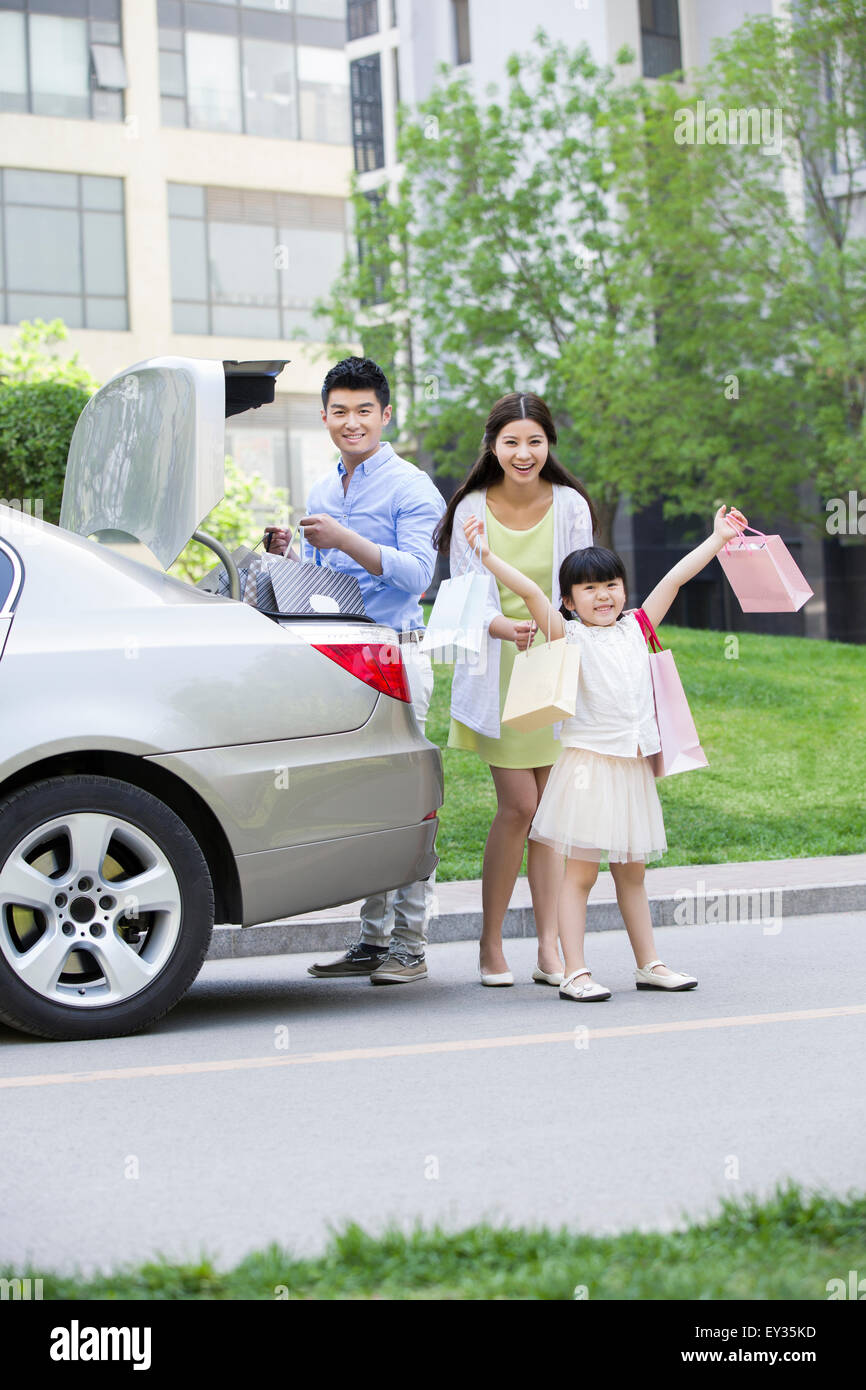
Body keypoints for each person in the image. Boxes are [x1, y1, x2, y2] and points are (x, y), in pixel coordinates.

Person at [462, 503, 748, 1001]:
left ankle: (649, 963)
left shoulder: (638, 627)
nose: (603, 595)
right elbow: (529, 592)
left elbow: (676, 579)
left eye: (611, 584)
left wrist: (720, 538)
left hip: (632, 768)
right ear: (569, 601)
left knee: (632, 873)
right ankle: (575, 971)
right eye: (589, 588)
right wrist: (486, 553)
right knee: (582, 874)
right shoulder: (566, 634)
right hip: (587, 769)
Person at [264, 357, 445, 985]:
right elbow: (321, 577)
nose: (352, 422)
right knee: (365, 802)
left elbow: (419, 576)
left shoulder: (412, 487)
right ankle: (372, 940)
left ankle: (412, 945)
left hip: (395, 652)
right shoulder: (322, 490)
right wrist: (293, 552)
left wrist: (345, 541)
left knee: (404, 799)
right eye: (339, 411)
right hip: (340, 660)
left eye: (364, 410)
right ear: (324, 418)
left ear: (385, 414)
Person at [434, 392, 595, 987]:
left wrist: (556, 628)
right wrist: (502, 626)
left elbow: (584, 584)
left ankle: (550, 947)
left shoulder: (571, 505)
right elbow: (461, 599)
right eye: (511, 442)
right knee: (520, 807)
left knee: (550, 814)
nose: (523, 453)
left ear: (548, 443)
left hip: (553, 661)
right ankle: (490, 942)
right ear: (493, 447)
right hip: (497, 669)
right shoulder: (473, 506)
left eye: (534, 441)